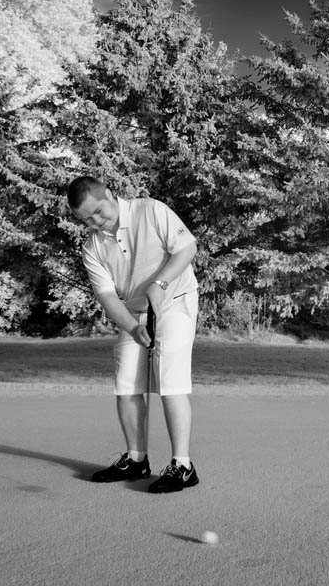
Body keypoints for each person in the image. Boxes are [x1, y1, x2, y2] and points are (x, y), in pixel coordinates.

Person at [67, 176, 200, 494]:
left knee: (169, 379)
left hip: (175, 300)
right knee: (126, 382)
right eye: (87, 219)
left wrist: (161, 283)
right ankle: (137, 459)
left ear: (110, 195)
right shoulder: (93, 247)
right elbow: (108, 297)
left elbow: (187, 248)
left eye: (98, 212)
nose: (96, 222)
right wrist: (133, 327)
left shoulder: (150, 210)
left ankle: (182, 465)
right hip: (134, 312)